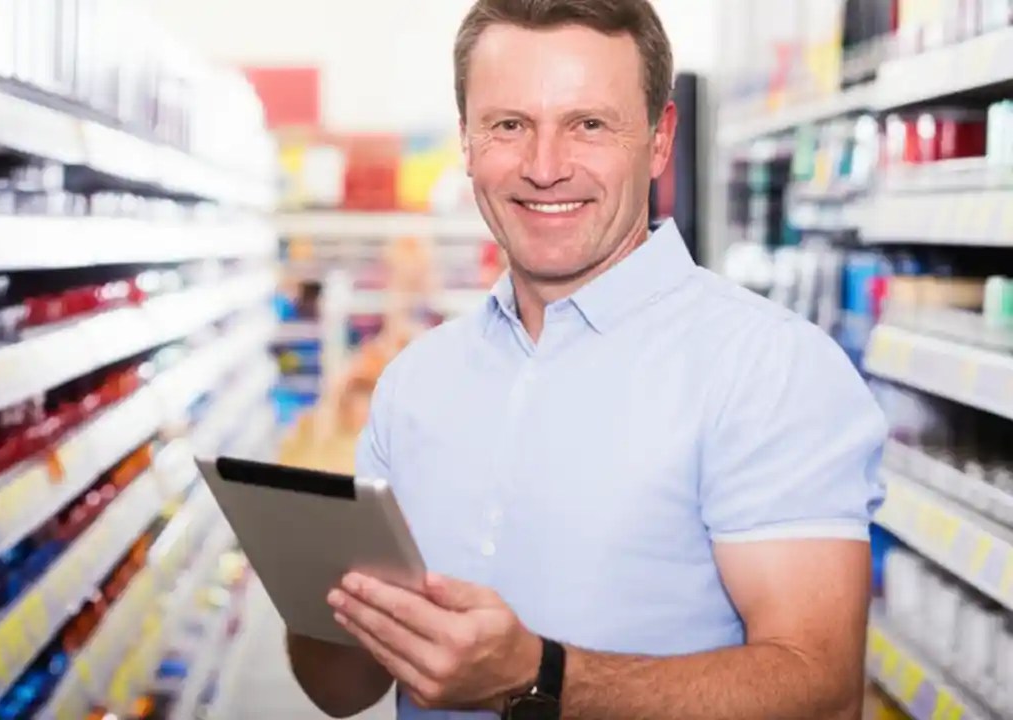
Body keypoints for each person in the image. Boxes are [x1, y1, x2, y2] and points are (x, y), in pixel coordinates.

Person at [287, 0, 887, 718]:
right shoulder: (414, 383)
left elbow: (821, 694)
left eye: (589, 125)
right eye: (510, 126)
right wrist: (320, 597)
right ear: (467, 142)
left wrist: (538, 675)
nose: (545, 168)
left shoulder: (770, 370)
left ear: (660, 141)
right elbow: (343, 692)